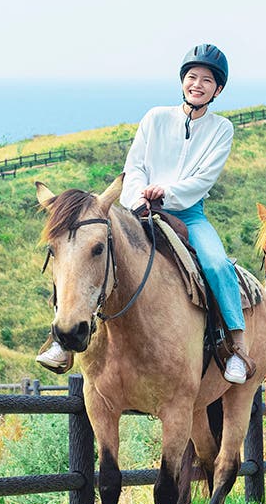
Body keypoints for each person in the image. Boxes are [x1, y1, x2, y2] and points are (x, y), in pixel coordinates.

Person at [37, 44, 253, 382]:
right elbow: (134, 165)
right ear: (183, 81)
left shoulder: (221, 130)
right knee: (84, 252)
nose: (197, 84)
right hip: (138, 208)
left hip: (189, 213)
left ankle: (235, 346)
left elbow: (204, 178)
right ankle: (61, 341)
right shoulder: (155, 118)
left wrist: (167, 192)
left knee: (215, 262)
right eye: (192, 77)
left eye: (207, 80)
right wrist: (140, 196)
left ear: (218, 89)